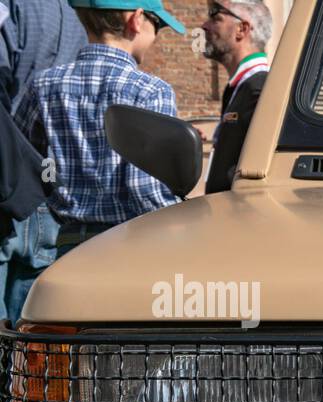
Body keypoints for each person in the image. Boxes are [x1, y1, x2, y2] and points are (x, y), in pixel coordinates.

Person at [12, 0, 185, 260]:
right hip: (127, 246)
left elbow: (29, 161)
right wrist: (180, 222)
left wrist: (57, 192)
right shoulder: (152, 91)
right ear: (136, 20)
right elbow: (144, 188)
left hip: (66, 245)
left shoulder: (44, 85)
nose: (156, 37)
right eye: (157, 25)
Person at [0, 0, 85, 321]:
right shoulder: (86, 11)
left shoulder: (16, 6)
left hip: (10, 183)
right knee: (34, 343)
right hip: (55, 192)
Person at [200, 0, 272, 195]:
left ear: (242, 29)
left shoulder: (260, 90)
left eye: (216, 19)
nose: (204, 26)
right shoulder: (240, 87)